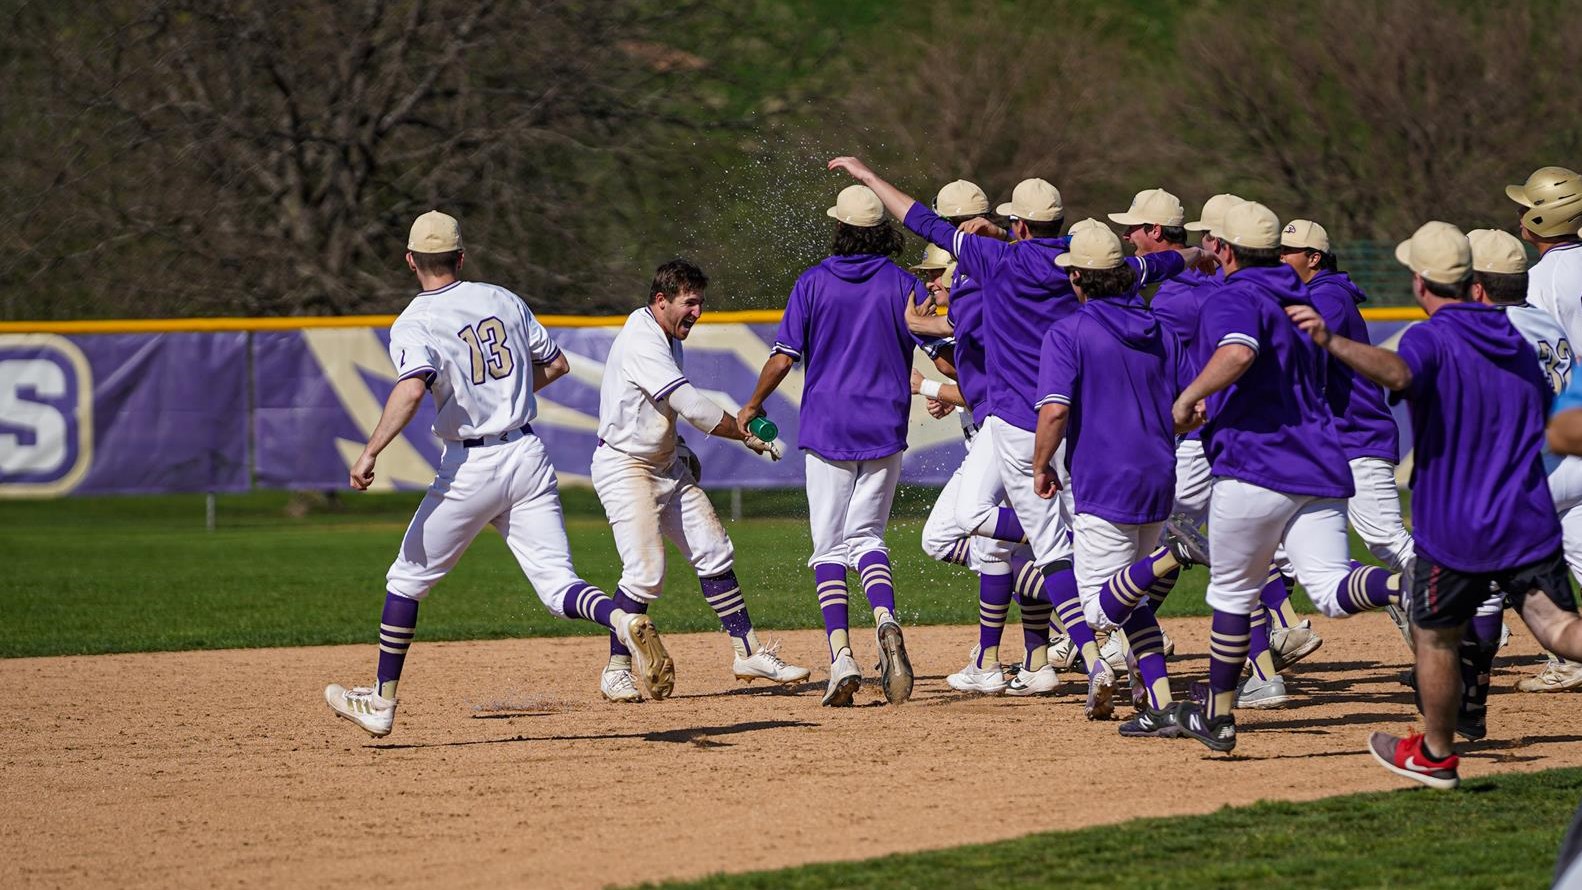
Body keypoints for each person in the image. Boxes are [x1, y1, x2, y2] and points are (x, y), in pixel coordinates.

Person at [827, 155, 1192, 719]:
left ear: (1017, 225)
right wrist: (1199, 253)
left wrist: (870, 177)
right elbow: (1161, 264)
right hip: (1073, 421)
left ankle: (1087, 659)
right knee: (1032, 547)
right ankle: (1078, 658)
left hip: (1021, 422)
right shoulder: (1084, 265)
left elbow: (920, 220)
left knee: (1040, 550)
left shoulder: (997, 260)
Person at [323, 211, 672, 738]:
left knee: (405, 581)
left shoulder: (414, 321)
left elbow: (413, 388)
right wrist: (506, 397)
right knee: (558, 585)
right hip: (528, 455)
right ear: (461, 258)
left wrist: (371, 450)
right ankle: (621, 620)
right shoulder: (502, 299)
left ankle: (381, 701)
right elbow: (556, 365)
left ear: (410, 260)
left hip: (472, 465)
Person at [1288, 220, 1582, 789]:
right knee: (1558, 626)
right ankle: (1438, 745)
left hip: (1459, 527)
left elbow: (1398, 371)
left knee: (1435, 635)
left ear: (1421, 283)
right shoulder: (1519, 343)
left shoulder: (1431, 336)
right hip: (1526, 513)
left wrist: (1330, 341)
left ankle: (1436, 753)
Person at [1169, 201, 1400, 753]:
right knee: (1331, 587)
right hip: (1319, 461)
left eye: (1210, 242)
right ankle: (1413, 584)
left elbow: (1238, 351)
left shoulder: (1236, 294)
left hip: (1254, 461)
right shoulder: (1302, 293)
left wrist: (1192, 395)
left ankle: (1220, 719)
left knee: (1231, 591)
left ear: (1224, 249)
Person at [738, 184, 921, 707]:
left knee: (828, 548)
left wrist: (751, 406)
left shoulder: (814, 282)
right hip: (885, 427)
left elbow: (782, 357)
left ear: (839, 228)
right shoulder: (903, 284)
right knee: (868, 538)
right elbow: (944, 350)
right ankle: (885, 619)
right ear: (882, 232)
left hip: (829, 428)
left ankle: (841, 655)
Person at [591, 259, 806, 703]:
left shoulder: (667, 336)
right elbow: (691, 404)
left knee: (714, 549)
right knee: (645, 573)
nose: (697, 312)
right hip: (625, 466)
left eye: (701, 303)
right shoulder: (642, 339)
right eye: (690, 303)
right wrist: (743, 430)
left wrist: (680, 449)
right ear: (661, 300)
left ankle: (746, 652)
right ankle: (616, 669)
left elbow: (661, 410)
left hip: (664, 462)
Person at [1031, 222, 1191, 736]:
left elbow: (1054, 411)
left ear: (1077, 277)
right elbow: (1195, 407)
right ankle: (1161, 704)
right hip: (1159, 472)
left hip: (1105, 477)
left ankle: (1177, 555)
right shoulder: (1160, 329)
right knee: (1134, 601)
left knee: (1098, 611)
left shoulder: (1069, 331)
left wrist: (1040, 465)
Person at [1279, 219, 1413, 657]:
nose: (1279, 258)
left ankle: (1469, 610)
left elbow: (1300, 349)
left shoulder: (1327, 295)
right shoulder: (1314, 293)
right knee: (1284, 537)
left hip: (1357, 435)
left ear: (1313, 258)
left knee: (1385, 537)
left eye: (1287, 251)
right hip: (1333, 442)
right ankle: (1411, 598)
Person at [1465, 229, 1582, 704]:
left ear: (1477, 284)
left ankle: (1468, 696)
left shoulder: (1495, 329)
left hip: (1534, 473)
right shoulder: (1543, 320)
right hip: (1571, 465)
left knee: (1481, 581)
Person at [1508, 166, 1582, 694]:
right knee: (1577, 536)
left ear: (1540, 217)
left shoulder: (1538, 281)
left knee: (1505, 537)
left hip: (1562, 428)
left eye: (1524, 206)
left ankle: (1565, 653)